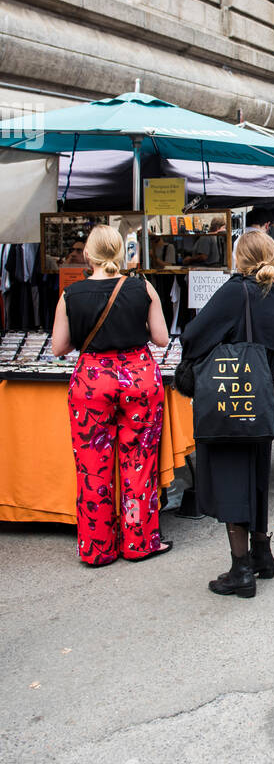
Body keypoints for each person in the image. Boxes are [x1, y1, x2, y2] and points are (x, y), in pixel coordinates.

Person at [51, 225, 171, 567]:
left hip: (91, 383)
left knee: (92, 466)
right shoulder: (141, 288)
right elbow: (161, 339)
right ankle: (138, 540)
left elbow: (60, 346)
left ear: (88, 255)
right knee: (139, 464)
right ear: (121, 253)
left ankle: (97, 547)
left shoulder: (70, 295)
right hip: (138, 378)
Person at [180, 230, 274, 598]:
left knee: (230, 480)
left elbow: (193, 334)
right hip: (259, 400)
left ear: (239, 258)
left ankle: (241, 568)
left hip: (229, 398)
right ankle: (262, 553)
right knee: (257, 478)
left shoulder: (235, 291)